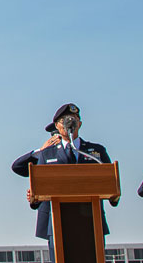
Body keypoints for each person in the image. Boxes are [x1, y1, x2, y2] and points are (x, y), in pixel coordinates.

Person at [11, 103, 117, 251]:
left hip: (91, 220)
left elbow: (111, 182)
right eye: (65, 120)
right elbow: (23, 171)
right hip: (58, 222)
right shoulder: (47, 153)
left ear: (80, 123)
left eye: (73, 119)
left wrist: (114, 196)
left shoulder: (95, 152)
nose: (70, 124)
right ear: (57, 126)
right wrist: (35, 196)